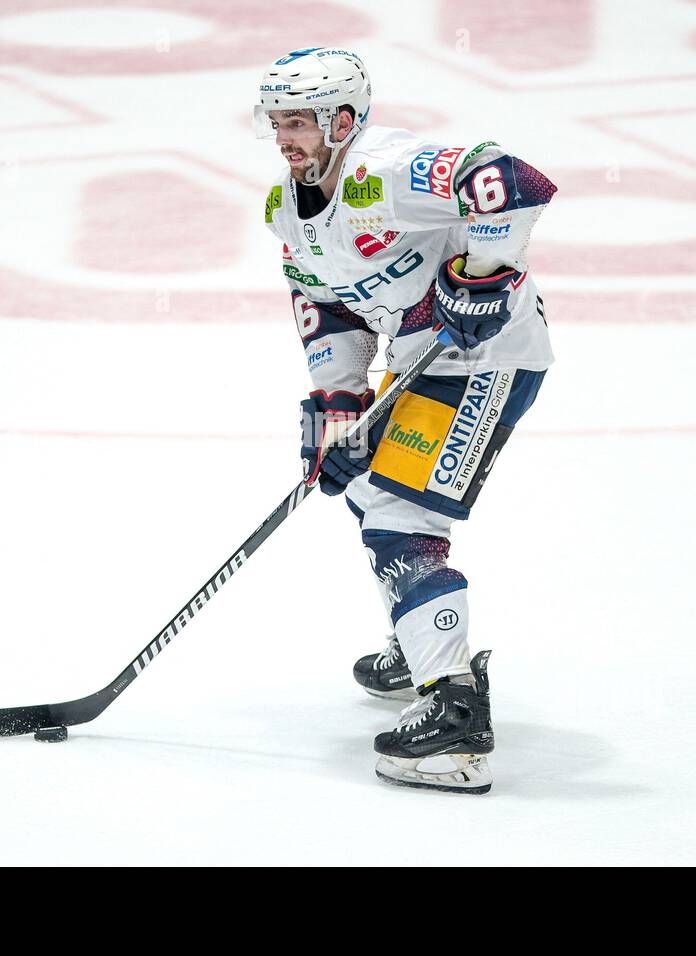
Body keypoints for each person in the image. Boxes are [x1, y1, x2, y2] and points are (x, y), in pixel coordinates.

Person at [256, 47, 556, 794]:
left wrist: (477, 276)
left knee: (394, 510)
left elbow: (515, 184)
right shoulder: (284, 207)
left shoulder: (388, 169)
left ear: (344, 120)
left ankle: (455, 718)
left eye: (299, 122)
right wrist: (338, 403)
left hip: (490, 355)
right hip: (423, 360)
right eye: (277, 122)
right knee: (368, 490)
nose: (284, 136)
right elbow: (326, 306)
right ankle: (422, 639)